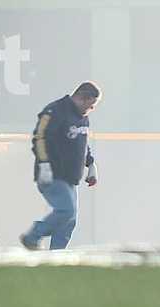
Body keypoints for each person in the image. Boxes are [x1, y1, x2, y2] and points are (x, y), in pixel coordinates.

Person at [20, 82, 100, 250]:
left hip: (71, 177)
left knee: (69, 221)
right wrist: (44, 164)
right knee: (66, 211)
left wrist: (91, 164)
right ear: (81, 98)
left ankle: (57, 255)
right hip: (53, 174)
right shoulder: (55, 111)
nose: (91, 109)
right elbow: (40, 137)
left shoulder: (83, 118)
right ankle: (32, 237)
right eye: (90, 105)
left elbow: (82, 143)